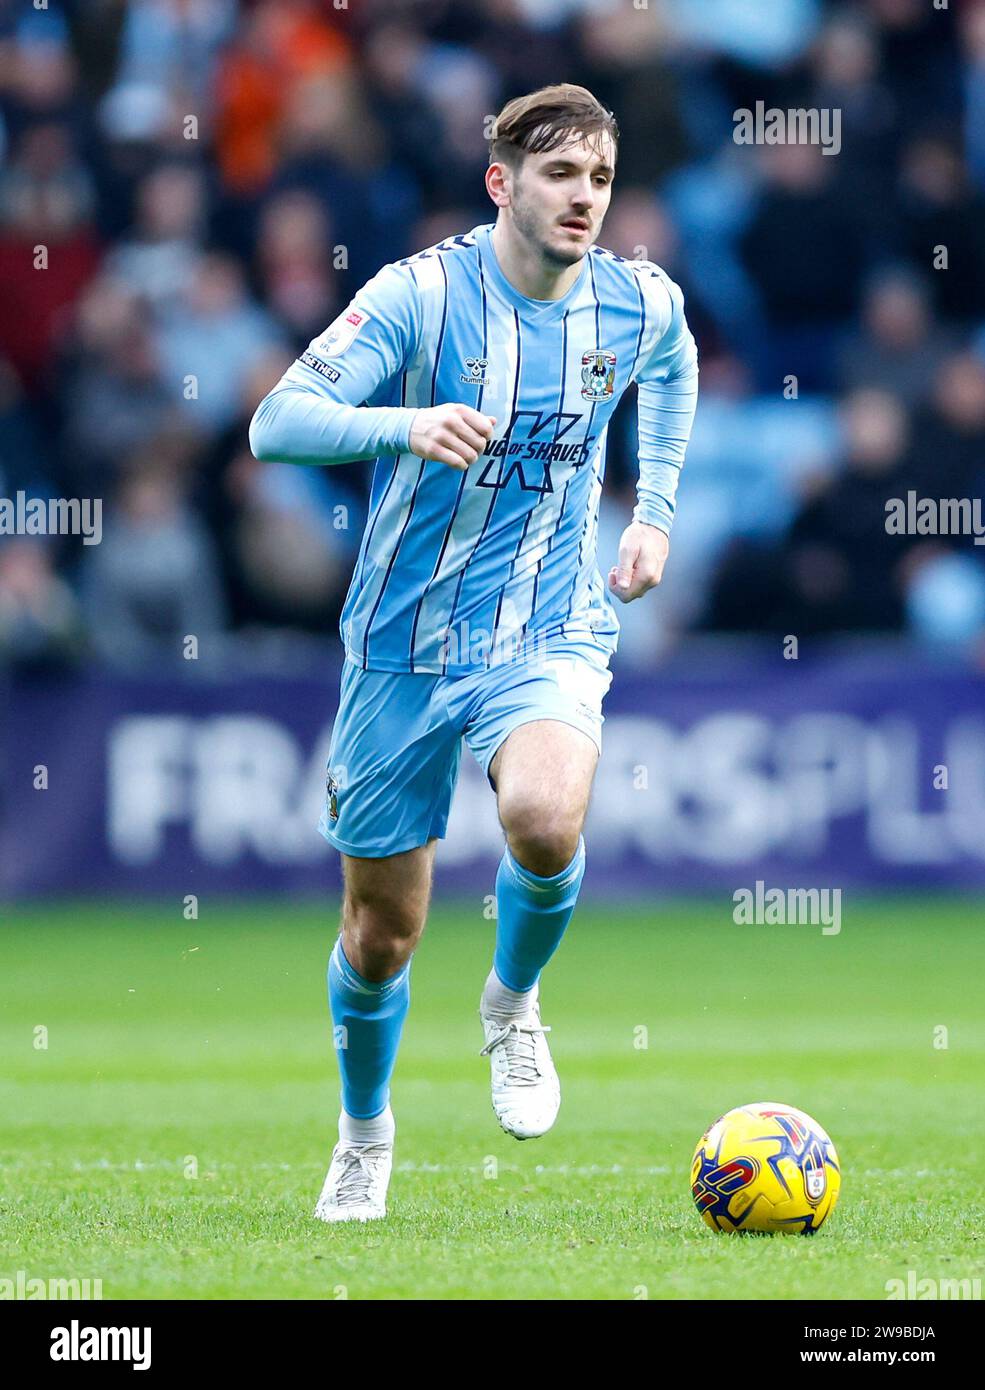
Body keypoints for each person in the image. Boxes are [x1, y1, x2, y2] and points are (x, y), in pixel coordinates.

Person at [249, 83, 699, 1222]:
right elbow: (275, 423)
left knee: (546, 819)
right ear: (501, 183)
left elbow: (677, 361)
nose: (583, 198)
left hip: (543, 629)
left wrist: (653, 509)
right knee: (381, 932)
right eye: (559, 175)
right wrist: (402, 424)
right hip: (401, 646)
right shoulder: (419, 296)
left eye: (599, 178)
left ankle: (511, 1003)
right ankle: (364, 1133)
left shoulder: (632, 303)